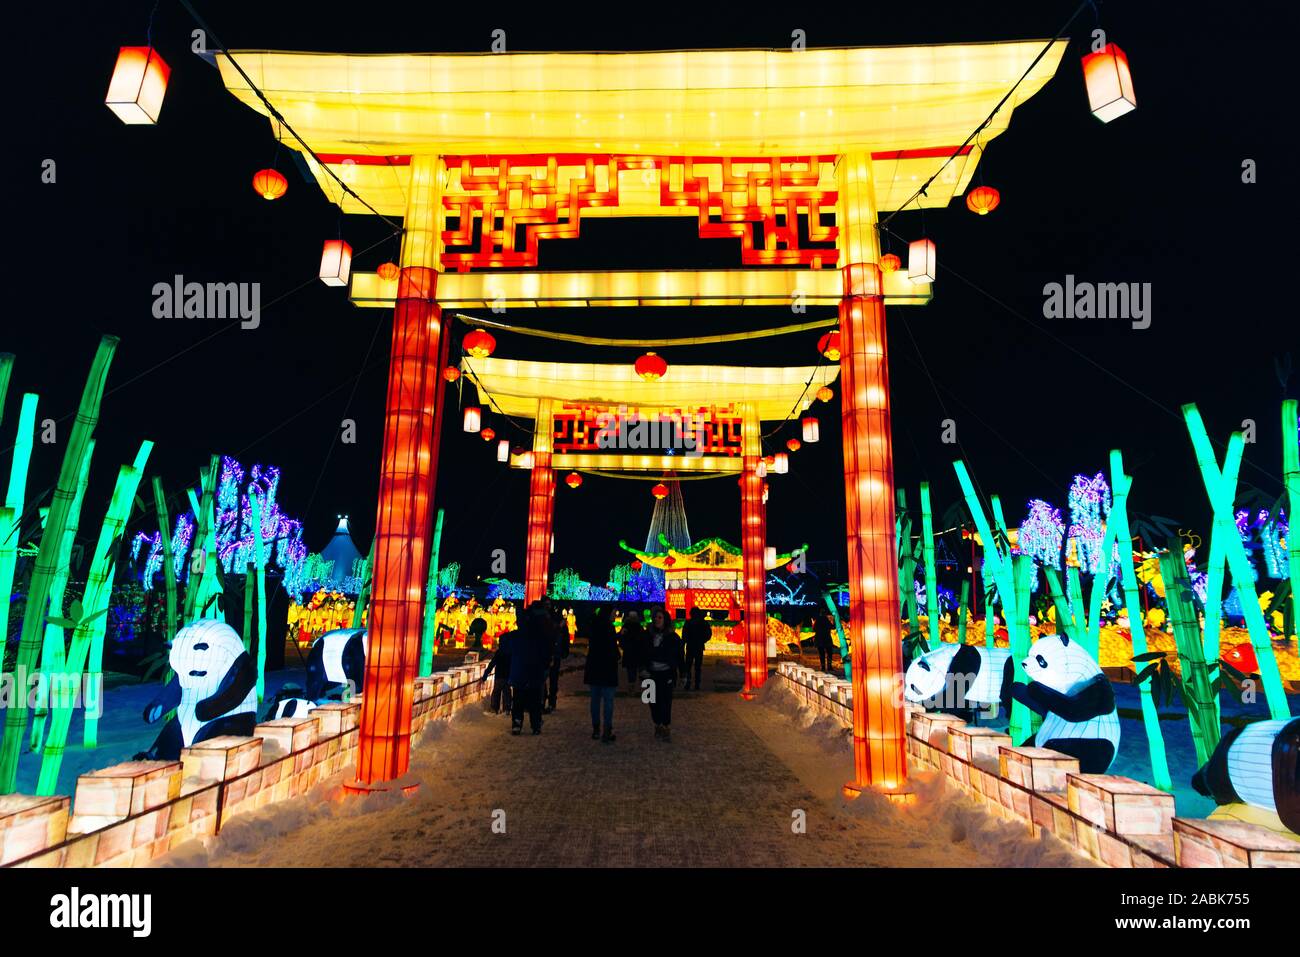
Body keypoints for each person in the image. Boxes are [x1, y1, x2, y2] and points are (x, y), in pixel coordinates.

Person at [642, 606, 683, 741]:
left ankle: (665, 725)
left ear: (665, 620)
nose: (657, 620)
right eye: (655, 617)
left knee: (665, 701)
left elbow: (679, 656)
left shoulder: (672, 637)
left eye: (660, 617)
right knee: (651, 700)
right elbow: (641, 652)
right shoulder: (648, 635)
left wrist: (682, 673)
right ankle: (657, 723)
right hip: (650, 674)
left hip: (666, 674)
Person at [509, 604, 550, 735]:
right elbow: (545, 652)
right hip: (534, 670)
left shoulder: (516, 635)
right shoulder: (539, 635)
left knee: (518, 699)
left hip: (519, 670)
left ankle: (517, 722)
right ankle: (535, 724)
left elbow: (506, 647)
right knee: (534, 699)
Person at [582, 607, 620, 742]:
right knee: (608, 700)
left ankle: (596, 729)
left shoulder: (594, 626)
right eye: (614, 614)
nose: (615, 616)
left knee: (595, 700)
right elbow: (613, 649)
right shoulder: (609, 628)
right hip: (607, 668)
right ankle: (607, 729)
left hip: (594, 668)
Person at [543, 603, 569, 713]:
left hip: (549, 653)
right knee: (551, 679)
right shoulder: (558, 624)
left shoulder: (547, 622)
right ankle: (549, 702)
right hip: (551, 653)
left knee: (547, 679)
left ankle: (547, 701)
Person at [484, 628, 514, 715]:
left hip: (499, 676)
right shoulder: (510, 653)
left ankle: (494, 708)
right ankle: (506, 708)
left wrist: (486, 673)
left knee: (496, 692)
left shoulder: (499, 652)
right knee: (507, 692)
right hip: (507, 676)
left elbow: (492, 663)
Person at [681, 607, 711, 691]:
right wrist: (702, 640)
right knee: (698, 667)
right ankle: (697, 684)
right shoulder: (703, 623)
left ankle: (688, 683)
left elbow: (684, 635)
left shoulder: (688, 623)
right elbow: (708, 634)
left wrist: (684, 643)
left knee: (688, 666)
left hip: (690, 647)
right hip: (699, 647)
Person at [618, 609, 645, 688]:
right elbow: (643, 638)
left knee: (631, 670)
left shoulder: (626, 626)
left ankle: (632, 686)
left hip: (629, 652)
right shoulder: (639, 627)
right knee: (639, 669)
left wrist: (624, 647)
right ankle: (641, 686)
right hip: (638, 651)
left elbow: (621, 637)